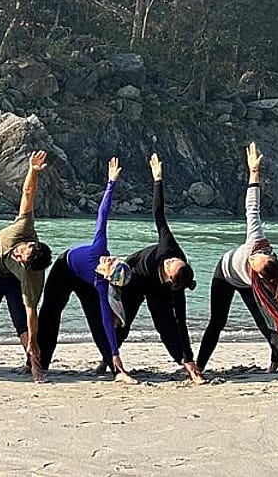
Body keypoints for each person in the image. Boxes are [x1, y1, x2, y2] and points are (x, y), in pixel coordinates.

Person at [195, 143, 278, 381]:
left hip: (247, 284)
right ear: (268, 255)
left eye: (253, 263)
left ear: (260, 274)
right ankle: (198, 367)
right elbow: (252, 208)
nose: (251, 258)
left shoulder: (263, 282)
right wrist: (253, 172)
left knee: (270, 326)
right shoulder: (256, 241)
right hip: (224, 273)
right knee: (216, 322)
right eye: (256, 258)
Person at [36, 156, 136, 382]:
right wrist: (111, 183)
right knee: (50, 312)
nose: (109, 260)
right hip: (64, 268)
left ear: (107, 276)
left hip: (85, 281)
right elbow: (103, 215)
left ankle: (114, 367)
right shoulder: (99, 249)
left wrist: (116, 353)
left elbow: (106, 322)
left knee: (97, 320)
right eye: (114, 260)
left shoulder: (101, 286)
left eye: (111, 265)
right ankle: (39, 363)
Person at [116, 154, 206, 384]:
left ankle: (187, 364)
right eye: (171, 261)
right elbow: (159, 215)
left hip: (157, 290)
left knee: (168, 327)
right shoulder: (169, 247)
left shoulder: (175, 288)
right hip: (133, 279)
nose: (168, 261)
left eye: (170, 265)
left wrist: (188, 356)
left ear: (171, 279)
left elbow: (182, 322)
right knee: (123, 321)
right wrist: (158, 179)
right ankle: (110, 358)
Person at [0, 150, 52, 383]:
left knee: (19, 318)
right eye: (21, 251)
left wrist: (34, 342)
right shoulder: (24, 227)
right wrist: (33, 171)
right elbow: (28, 193)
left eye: (21, 259)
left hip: (11, 281)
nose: (18, 255)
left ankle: (31, 362)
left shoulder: (31, 275)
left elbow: (31, 312)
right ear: (30, 243)